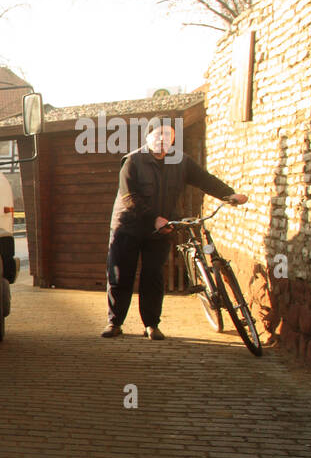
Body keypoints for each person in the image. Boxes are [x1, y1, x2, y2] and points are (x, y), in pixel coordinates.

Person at [103, 118, 247, 339]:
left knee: (153, 275)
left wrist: (229, 194)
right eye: (159, 135)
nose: (163, 140)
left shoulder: (181, 161)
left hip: (160, 229)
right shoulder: (133, 161)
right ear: (148, 136)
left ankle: (151, 325)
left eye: (169, 136)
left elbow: (205, 180)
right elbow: (129, 197)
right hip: (128, 227)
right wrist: (154, 218)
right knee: (121, 275)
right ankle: (115, 323)